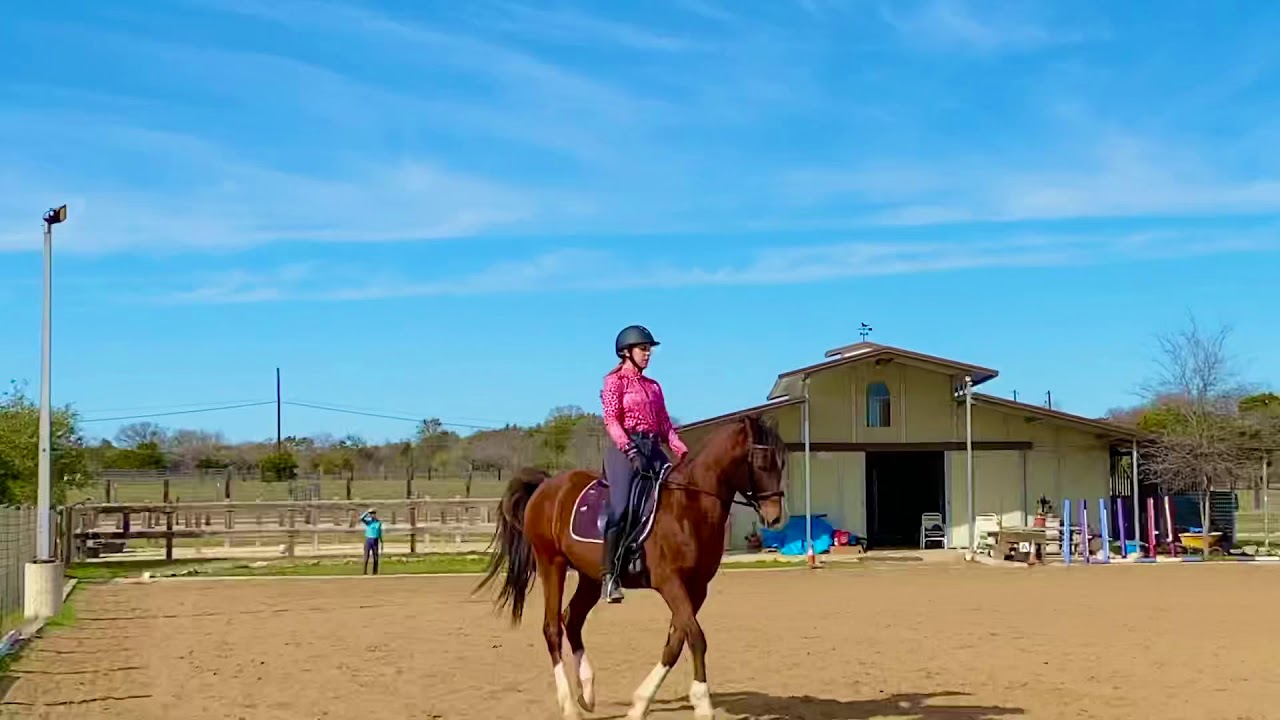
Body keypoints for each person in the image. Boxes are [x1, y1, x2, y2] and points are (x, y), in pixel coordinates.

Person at [599, 324, 688, 603]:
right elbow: (611, 420)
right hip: (624, 448)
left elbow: (664, 425)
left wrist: (681, 451)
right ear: (627, 352)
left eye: (650, 350)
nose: (648, 354)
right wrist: (628, 449)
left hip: (652, 448)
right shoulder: (615, 382)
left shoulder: (654, 386)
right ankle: (610, 576)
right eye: (643, 349)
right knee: (622, 507)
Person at [359, 508, 383, 575]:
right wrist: (367, 512)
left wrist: (381, 540)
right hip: (368, 540)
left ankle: (375, 572)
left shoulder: (378, 522)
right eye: (371, 514)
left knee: (375, 557)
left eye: (373, 514)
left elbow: (379, 531)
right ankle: (364, 572)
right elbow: (361, 518)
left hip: (375, 540)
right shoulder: (369, 522)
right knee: (366, 556)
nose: (372, 515)